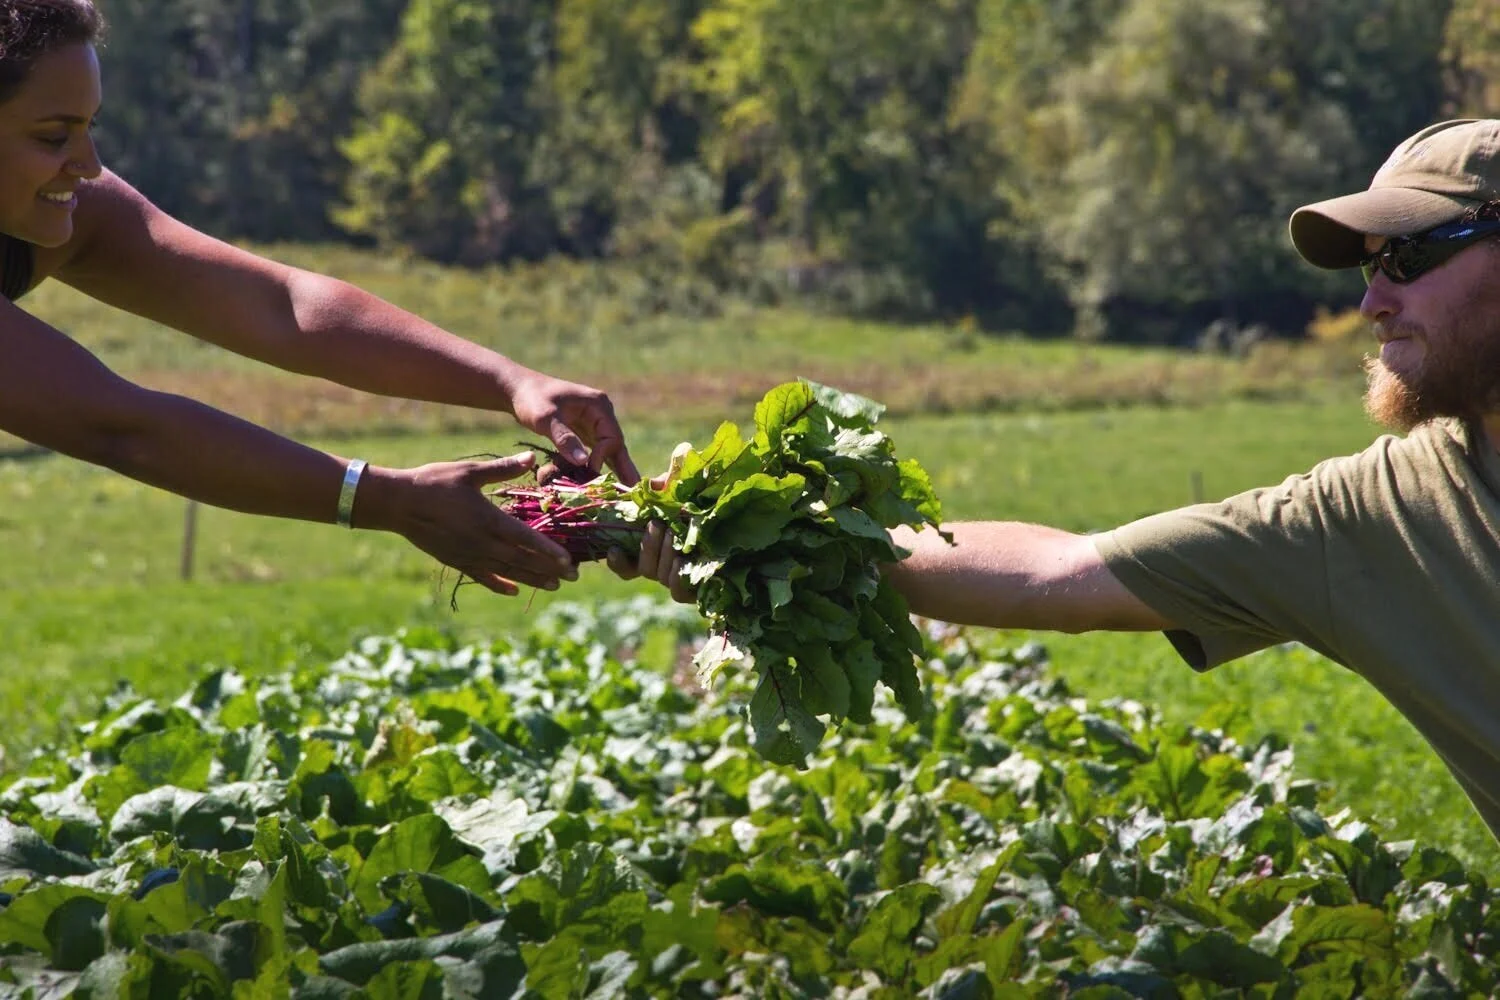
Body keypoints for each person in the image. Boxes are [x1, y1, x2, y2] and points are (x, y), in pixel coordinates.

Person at [617, 118, 1500, 844]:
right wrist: (781, 530)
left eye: (1409, 260)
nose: (1372, 303)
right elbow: (1061, 575)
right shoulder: (1382, 510)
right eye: (1368, 266)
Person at [0, 0, 639, 597]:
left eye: (89, 128)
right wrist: (389, 499)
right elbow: (119, 426)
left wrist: (512, 382)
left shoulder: (74, 207)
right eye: (55, 137)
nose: (88, 165)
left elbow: (282, 307)